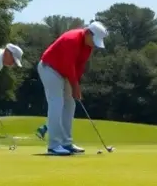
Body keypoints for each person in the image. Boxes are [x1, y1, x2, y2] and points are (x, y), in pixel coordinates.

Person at [36, 21, 108, 155]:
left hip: (63, 72)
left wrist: (76, 85)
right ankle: (54, 145)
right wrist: (74, 86)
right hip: (49, 68)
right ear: (87, 33)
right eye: (94, 40)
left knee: (70, 104)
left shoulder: (88, 46)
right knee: (56, 103)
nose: (94, 44)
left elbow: (79, 66)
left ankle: (66, 143)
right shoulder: (71, 39)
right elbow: (68, 64)